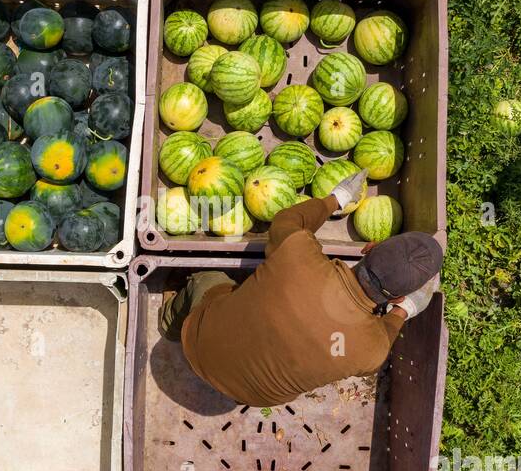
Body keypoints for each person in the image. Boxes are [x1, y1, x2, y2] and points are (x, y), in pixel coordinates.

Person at [157, 169, 443, 408]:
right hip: (253, 396)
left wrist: (336, 199)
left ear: (369, 247)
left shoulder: (297, 251)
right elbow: (390, 325)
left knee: (208, 279)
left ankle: (169, 324)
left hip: (198, 340)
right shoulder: (372, 351)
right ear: (400, 296)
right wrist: (406, 310)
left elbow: (286, 220)